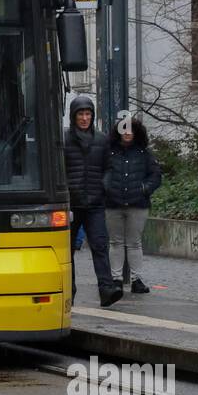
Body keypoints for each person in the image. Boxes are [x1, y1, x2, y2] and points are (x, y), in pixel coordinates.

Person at [64, 95, 121, 307]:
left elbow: (109, 167)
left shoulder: (102, 140)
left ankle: (106, 289)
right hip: (71, 204)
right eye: (81, 114)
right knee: (67, 250)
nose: (84, 118)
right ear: (74, 116)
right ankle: (69, 290)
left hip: (95, 203)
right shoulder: (64, 140)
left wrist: (104, 186)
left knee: (100, 245)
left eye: (88, 114)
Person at [103, 117, 162, 293]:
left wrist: (144, 189)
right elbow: (101, 172)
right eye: (124, 129)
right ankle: (116, 279)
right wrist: (107, 188)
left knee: (134, 243)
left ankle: (136, 280)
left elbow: (156, 176)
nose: (128, 133)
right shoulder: (109, 152)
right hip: (113, 203)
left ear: (136, 132)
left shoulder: (144, 153)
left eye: (131, 130)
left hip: (138, 204)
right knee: (116, 242)